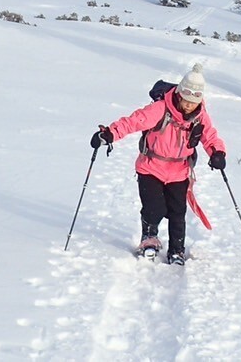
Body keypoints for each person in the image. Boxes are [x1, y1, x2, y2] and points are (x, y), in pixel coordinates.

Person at [91, 63, 226, 265]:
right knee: (154, 208)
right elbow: (134, 121)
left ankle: (177, 251)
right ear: (179, 94)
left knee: (177, 213)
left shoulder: (200, 117)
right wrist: (109, 134)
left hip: (179, 171)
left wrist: (218, 153)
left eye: (194, 102)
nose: (189, 105)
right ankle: (149, 239)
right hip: (151, 167)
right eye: (186, 100)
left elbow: (210, 136)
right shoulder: (161, 108)